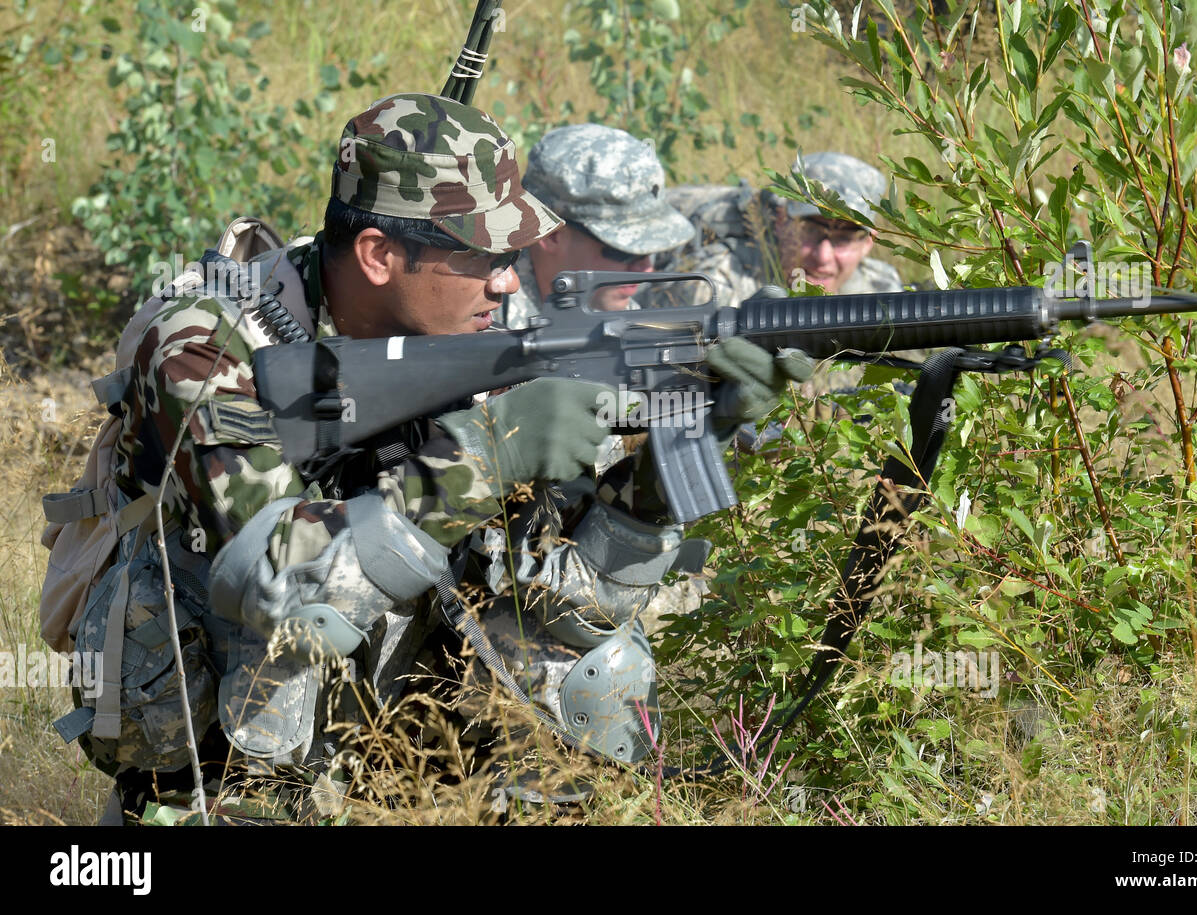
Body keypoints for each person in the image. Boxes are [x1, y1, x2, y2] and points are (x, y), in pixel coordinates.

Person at [65, 92, 808, 822]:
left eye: (513, 254)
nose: (508, 280)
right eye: (481, 255)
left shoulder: (485, 337)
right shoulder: (208, 344)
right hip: (231, 725)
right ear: (379, 254)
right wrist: (483, 455)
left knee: (608, 667)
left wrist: (659, 481)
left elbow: (570, 612)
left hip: (409, 723)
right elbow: (280, 590)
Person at [502, 123, 694, 330]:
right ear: (550, 235)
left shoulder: (622, 319)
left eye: (650, 250)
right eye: (622, 251)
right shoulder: (481, 317)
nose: (646, 268)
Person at [661, 151, 902, 307]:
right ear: (781, 222)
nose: (823, 256)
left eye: (843, 239)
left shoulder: (883, 295)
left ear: (868, 243)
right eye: (810, 231)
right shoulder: (717, 288)